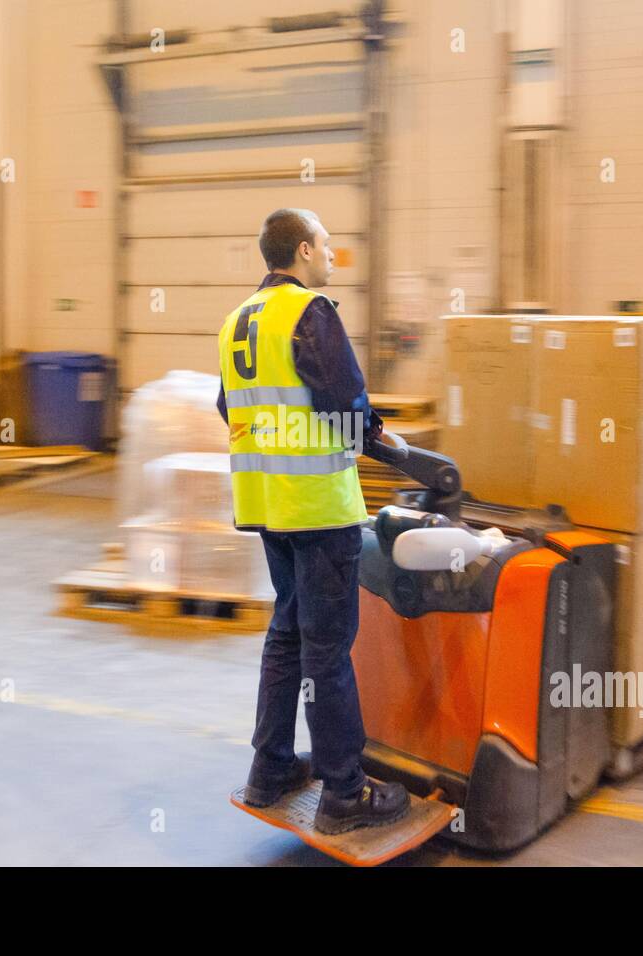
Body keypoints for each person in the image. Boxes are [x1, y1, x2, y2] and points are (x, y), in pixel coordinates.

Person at [217, 208, 410, 834]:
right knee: (328, 647)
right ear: (303, 251)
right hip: (318, 506)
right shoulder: (310, 312)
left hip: (268, 504)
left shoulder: (236, 321)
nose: (331, 255)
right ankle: (345, 794)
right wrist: (378, 436)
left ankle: (270, 769)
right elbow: (344, 398)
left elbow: (230, 405)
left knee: (287, 633)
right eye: (326, 245)